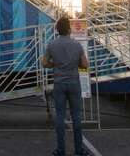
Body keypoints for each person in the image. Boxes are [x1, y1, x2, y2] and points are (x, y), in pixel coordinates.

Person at [43, 16, 89, 156]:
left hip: (59, 84)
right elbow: (85, 64)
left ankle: (60, 150)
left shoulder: (51, 45)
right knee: (76, 116)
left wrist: (55, 64)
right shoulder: (77, 45)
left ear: (57, 30)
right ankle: (79, 150)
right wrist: (76, 64)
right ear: (69, 29)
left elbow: (44, 63)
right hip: (74, 83)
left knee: (60, 116)